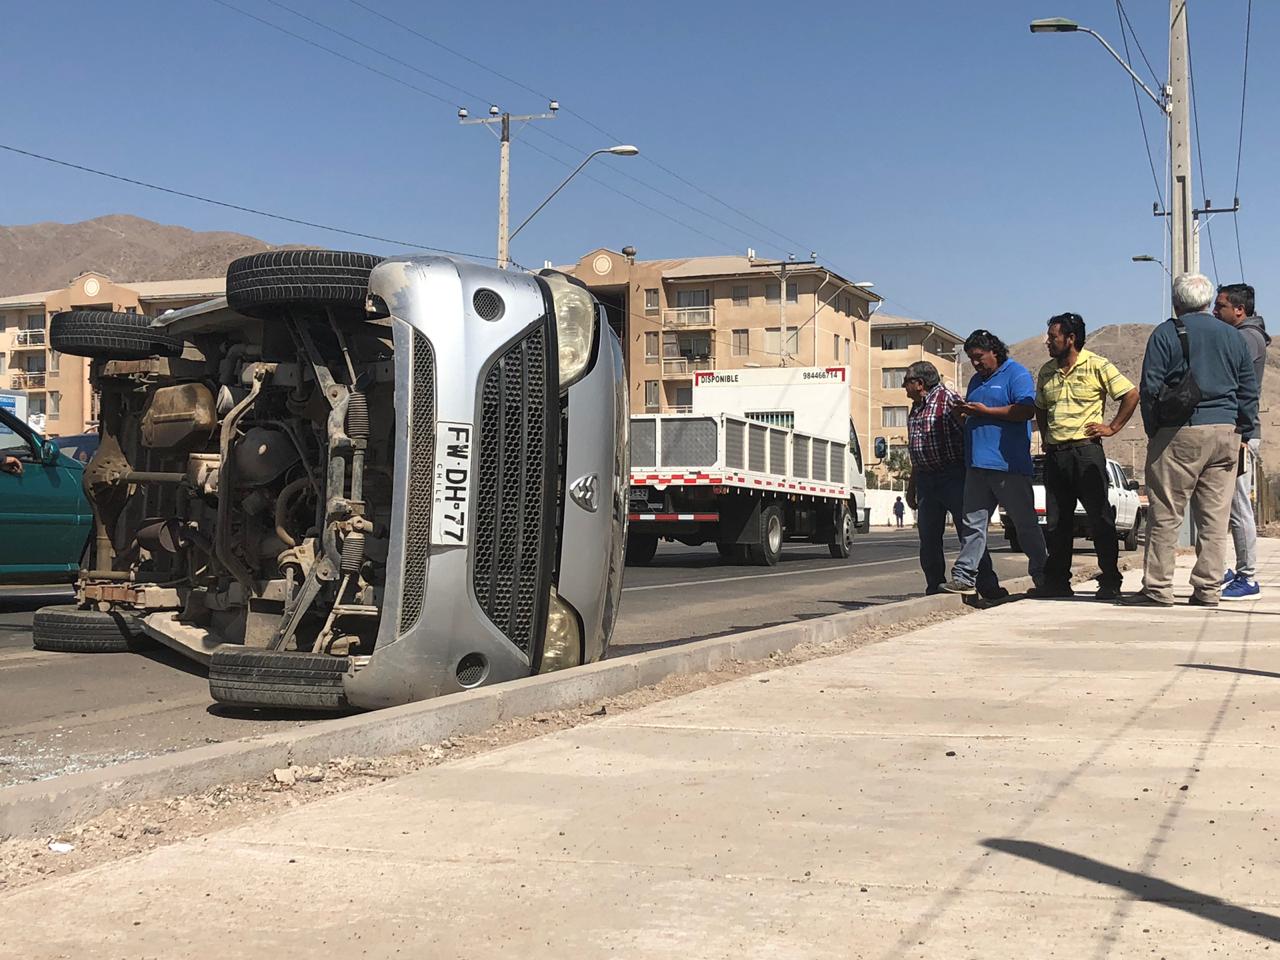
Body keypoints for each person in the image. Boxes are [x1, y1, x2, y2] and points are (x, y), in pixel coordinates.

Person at [1121, 273, 1259, 607]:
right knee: (1215, 517)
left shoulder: (1166, 333)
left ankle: (1158, 587)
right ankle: (1208, 589)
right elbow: (1248, 391)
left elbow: (1151, 388)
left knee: (1166, 512)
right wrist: (1242, 430)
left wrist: (1154, 430)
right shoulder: (1233, 337)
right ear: (1210, 302)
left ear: (1176, 302)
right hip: (1225, 434)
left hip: (1179, 432)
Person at [1034, 313, 1139, 600]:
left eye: (1053, 337)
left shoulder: (1096, 365)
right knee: (1056, 522)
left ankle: (1109, 580)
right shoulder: (1046, 371)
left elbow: (1130, 394)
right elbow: (1040, 407)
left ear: (1071, 339)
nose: (1048, 342)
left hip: (1086, 453)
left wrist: (1112, 427)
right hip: (1056, 455)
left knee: (1099, 518)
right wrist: (1045, 436)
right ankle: (1057, 582)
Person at [940, 330, 1047, 596]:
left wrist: (986, 411)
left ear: (994, 352)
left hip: (1007, 465)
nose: (975, 363)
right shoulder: (976, 380)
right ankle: (964, 576)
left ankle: (1044, 576)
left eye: (979, 357)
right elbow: (975, 419)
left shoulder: (1016, 374)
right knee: (973, 525)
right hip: (977, 465)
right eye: (971, 358)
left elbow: (1026, 410)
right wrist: (963, 415)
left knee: (1024, 524)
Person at [903, 360, 1004, 599]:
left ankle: (988, 586)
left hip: (954, 476)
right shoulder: (916, 408)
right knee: (928, 538)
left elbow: (969, 430)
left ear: (920, 383)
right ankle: (934, 587)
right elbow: (917, 449)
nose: (903, 387)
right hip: (927, 480)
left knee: (969, 533)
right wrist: (912, 485)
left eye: (906, 381)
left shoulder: (948, 399)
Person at [1213, 283, 1267, 600]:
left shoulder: (1246, 338)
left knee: (1237, 507)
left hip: (1240, 434)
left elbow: (1234, 381)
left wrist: (1244, 435)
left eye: (1219, 307)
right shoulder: (1243, 335)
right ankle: (1223, 571)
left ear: (1238, 310)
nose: (1214, 312)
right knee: (1221, 506)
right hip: (1234, 431)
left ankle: (1247, 577)